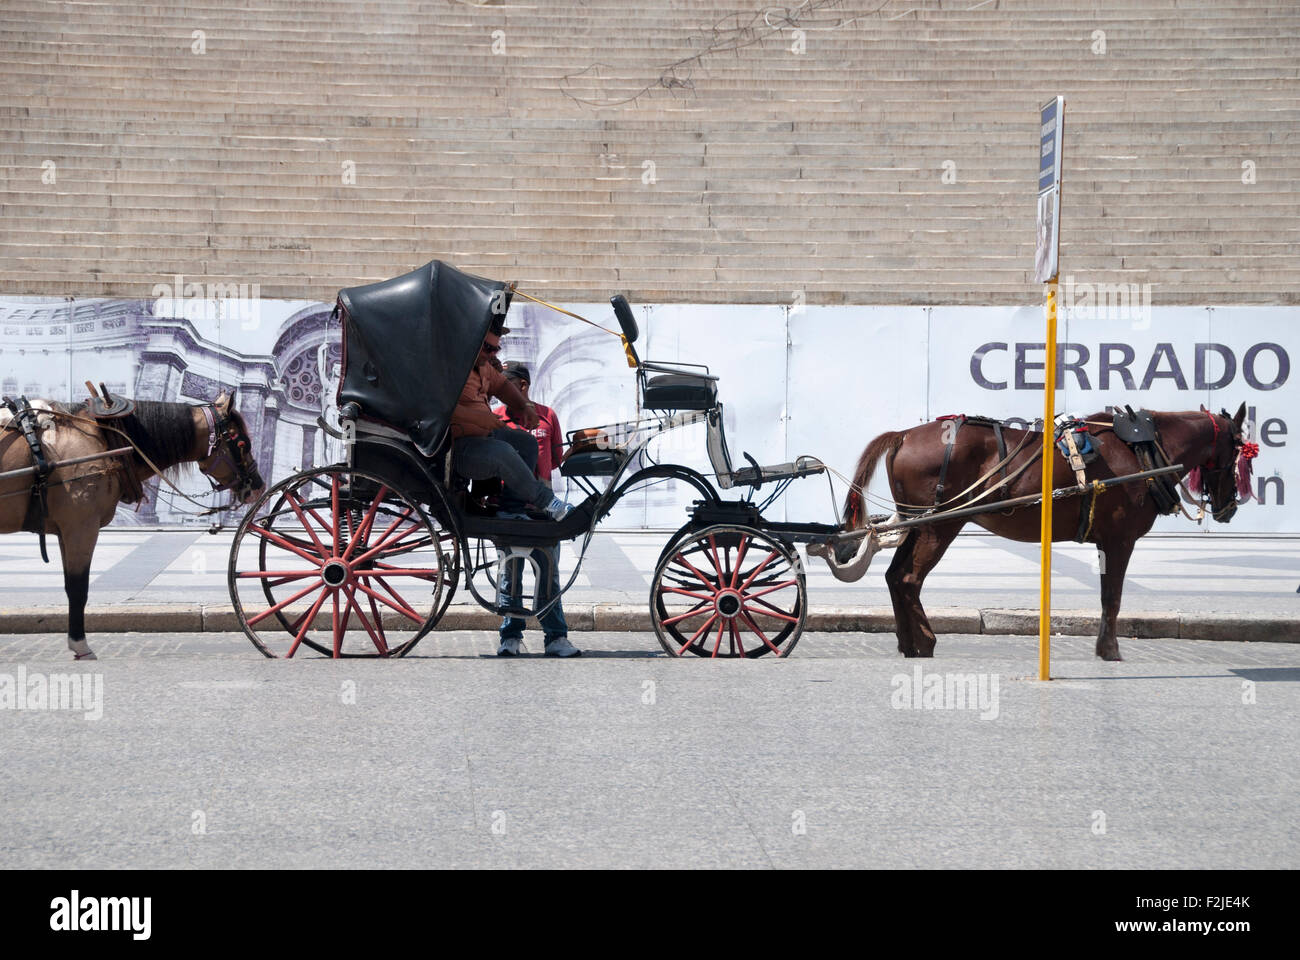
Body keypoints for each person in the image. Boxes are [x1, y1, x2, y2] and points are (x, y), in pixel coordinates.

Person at [491, 361, 581, 658]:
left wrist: (578, 448)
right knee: (510, 573)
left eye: (506, 385)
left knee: (548, 573)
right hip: (507, 507)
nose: (500, 392)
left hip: (542, 511)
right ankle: (511, 637)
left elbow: (555, 462)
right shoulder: (495, 417)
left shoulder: (547, 416)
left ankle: (555, 638)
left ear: (523, 386)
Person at [449, 327, 574, 522]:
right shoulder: (450, 367)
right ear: (471, 340)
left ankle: (511, 509)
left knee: (526, 442)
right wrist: (477, 418)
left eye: (496, 349)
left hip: (482, 438)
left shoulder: (482, 365)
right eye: (487, 348)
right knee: (502, 451)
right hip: (457, 449)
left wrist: (524, 406)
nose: (492, 354)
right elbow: (437, 409)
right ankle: (547, 502)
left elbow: (502, 385)